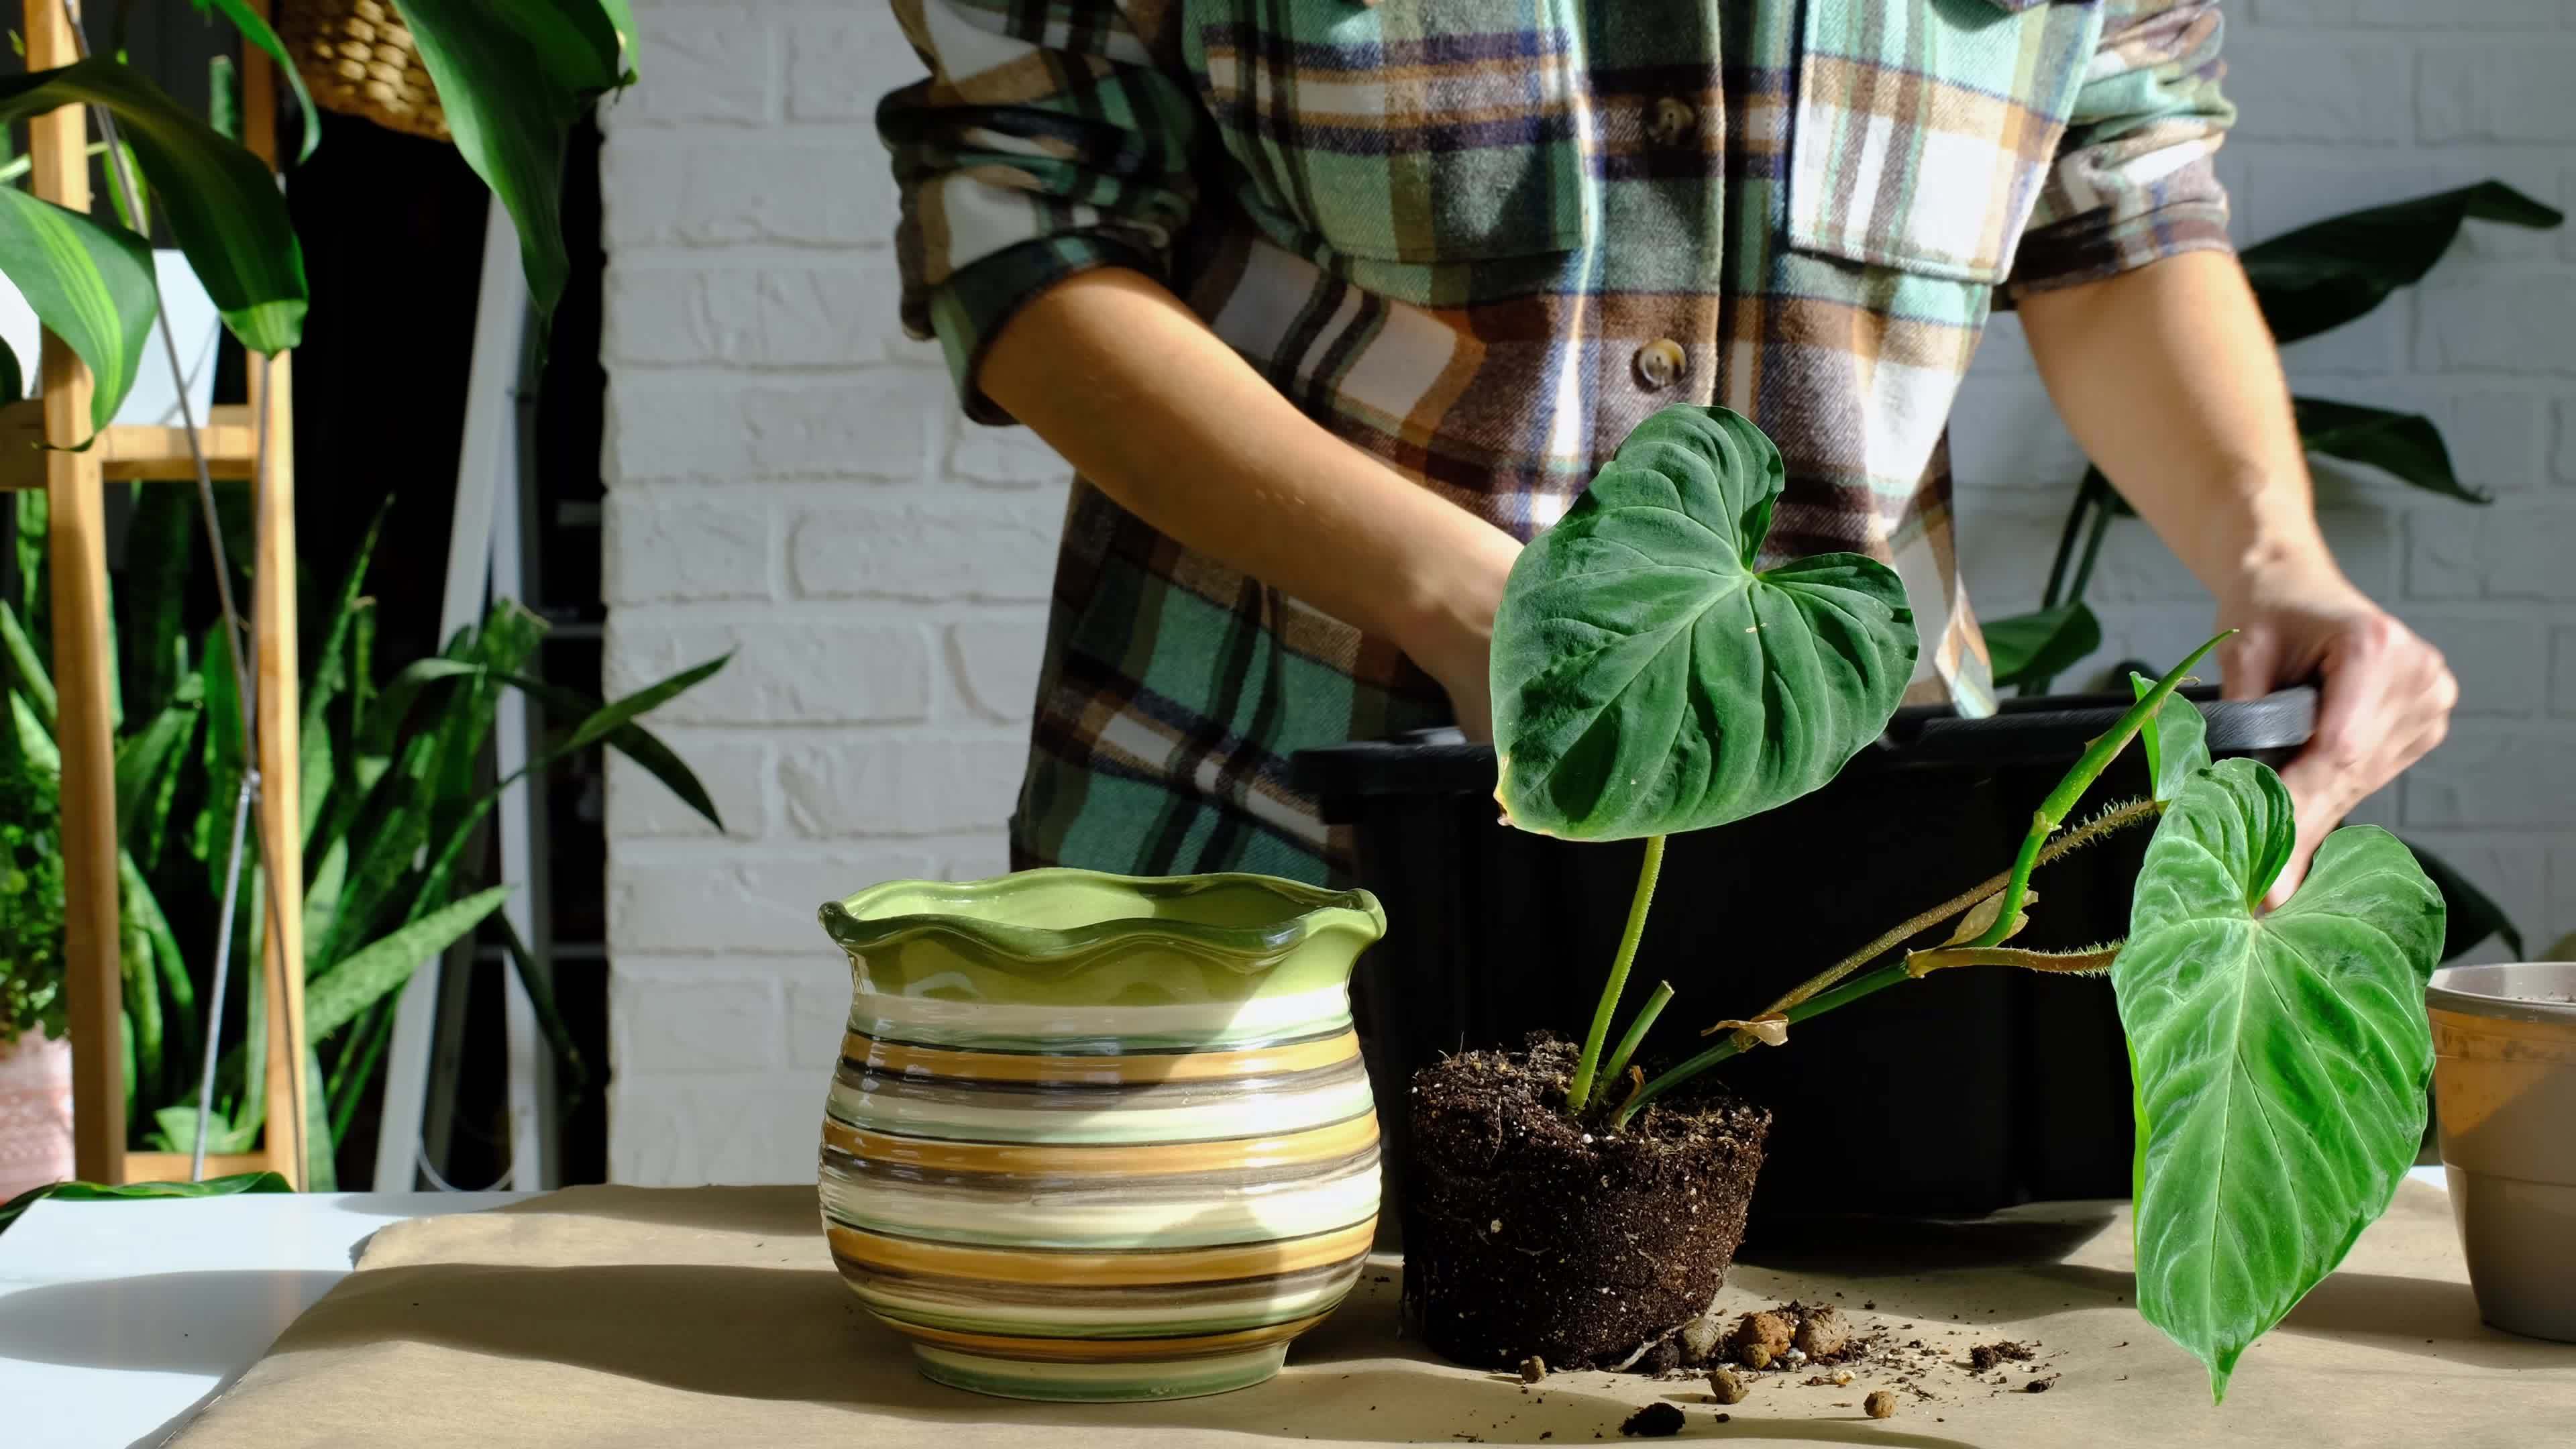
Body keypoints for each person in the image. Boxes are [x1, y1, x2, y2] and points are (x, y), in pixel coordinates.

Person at [876, 0, 2454, 905]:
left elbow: (2116, 206)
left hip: (1850, 880)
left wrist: (2276, 561)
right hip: (1261, 838)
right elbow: (1023, 228)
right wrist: (1457, 597)